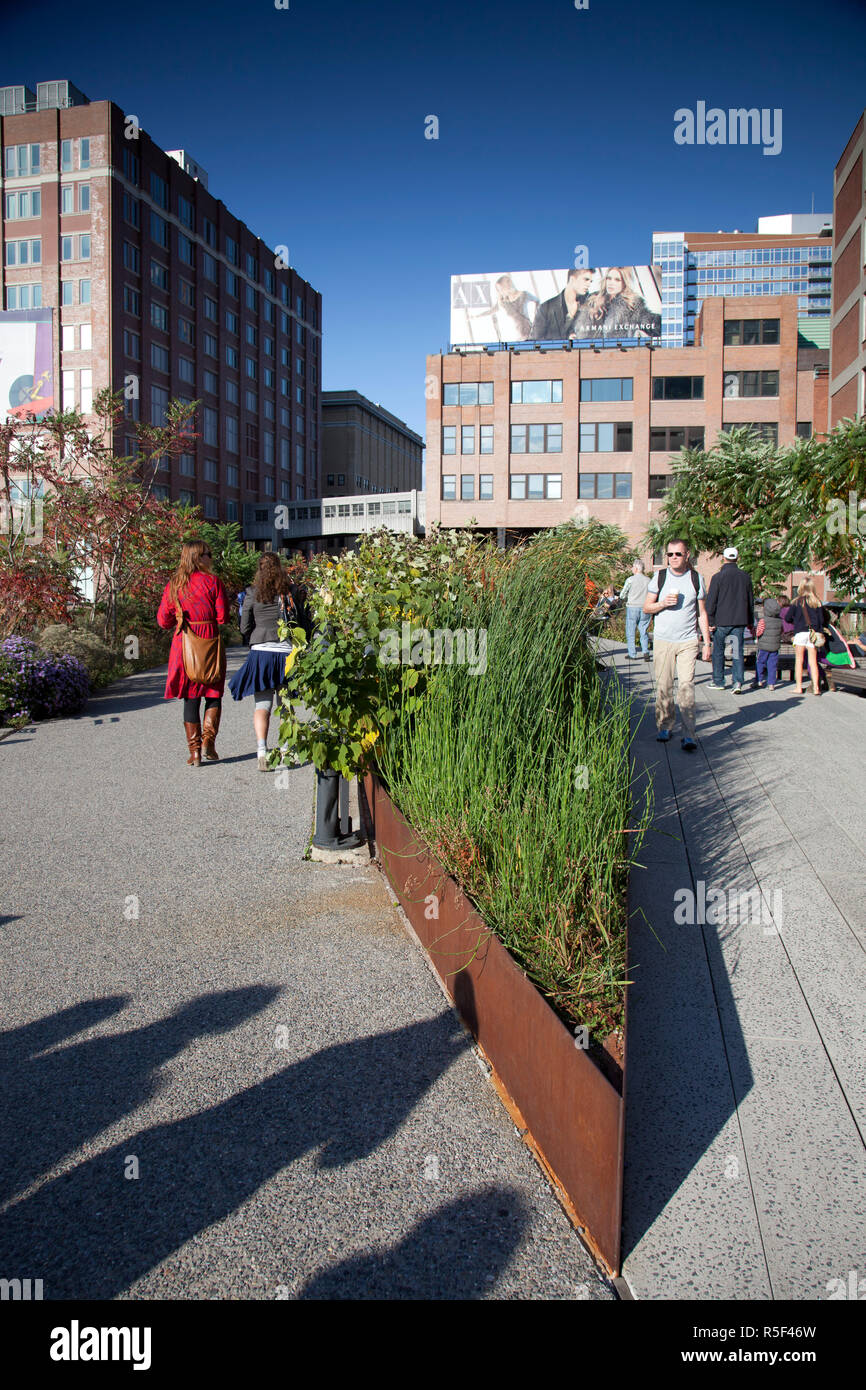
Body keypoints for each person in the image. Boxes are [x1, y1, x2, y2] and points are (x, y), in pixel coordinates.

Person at [156, 540, 229, 766]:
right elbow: (223, 617)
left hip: (184, 644)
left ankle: (195, 752)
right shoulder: (213, 582)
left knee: (191, 697)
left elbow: (162, 620)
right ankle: (209, 742)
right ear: (198, 557)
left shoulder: (174, 585)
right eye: (209, 554)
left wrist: (181, 618)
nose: (212, 558)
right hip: (208, 642)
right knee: (213, 693)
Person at [229, 552, 297, 769]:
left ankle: (261, 751)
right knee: (285, 705)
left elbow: (244, 625)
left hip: (262, 652)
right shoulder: (290, 591)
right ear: (280, 568)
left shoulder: (252, 593)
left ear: (259, 569)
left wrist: (252, 637)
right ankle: (286, 750)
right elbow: (300, 620)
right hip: (286, 652)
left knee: (262, 705)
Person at [644, 538, 711, 751]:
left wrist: (707, 642)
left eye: (678, 554)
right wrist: (663, 603)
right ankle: (665, 725)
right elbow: (646, 607)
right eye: (670, 554)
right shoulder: (659, 577)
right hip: (663, 639)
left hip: (688, 641)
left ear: (687, 555)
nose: (673, 558)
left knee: (686, 687)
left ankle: (689, 734)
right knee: (664, 685)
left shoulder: (696, 579)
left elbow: (701, 613)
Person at [705, 546, 755, 694]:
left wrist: (711, 621)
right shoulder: (745, 577)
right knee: (736, 652)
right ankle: (737, 682)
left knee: (718, 651)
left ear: (724, 558)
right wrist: (750, 621)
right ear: (737, 558)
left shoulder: (718, 577)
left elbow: (711, 602)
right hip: (739, 622)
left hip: (721, 621)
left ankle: (719, 681)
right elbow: (750, 601)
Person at [584, 266, 662, 338]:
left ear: (624, 283)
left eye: (617, 280)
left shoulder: (633, 306)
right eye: (609, 278)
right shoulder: (592, 299)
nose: (611, 283)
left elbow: (653, 323)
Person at [789, 579, 832, 696]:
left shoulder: (796, 602)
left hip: (800, 634)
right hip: (812, 634)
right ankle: (816, 688)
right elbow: (822, 620)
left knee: (799, 660)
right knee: (813, 662)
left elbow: (788, 617)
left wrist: (797, 621)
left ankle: (798, 687)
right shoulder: (817, 602)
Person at [532, 268, 596, 340]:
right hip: (555, 351)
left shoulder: (591, 304)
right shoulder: (546, 308)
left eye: (591, 281)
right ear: (572, 279)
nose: (589, 284)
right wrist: (565, 339)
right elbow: (535, 339)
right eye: (586, 280)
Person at [619, 560, 651, 659]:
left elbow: (622, 595)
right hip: (645, 607)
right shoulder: (649, 580)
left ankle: (632, 654)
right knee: (643, 630)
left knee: (630, 631)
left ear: (636, 569)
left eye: (632, 567)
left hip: (632, 607)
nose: (632, 569)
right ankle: (645, 651)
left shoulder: (630, 580)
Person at [751, 597, 783, 690]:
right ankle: (771, 684)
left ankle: (759, 680)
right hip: (775, 647)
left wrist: (755, 632)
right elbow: (781, 631)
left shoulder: (763, 620)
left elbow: (758, 632)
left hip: (763, 647)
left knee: (760, 662)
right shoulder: (779, 621)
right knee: (772, 665)